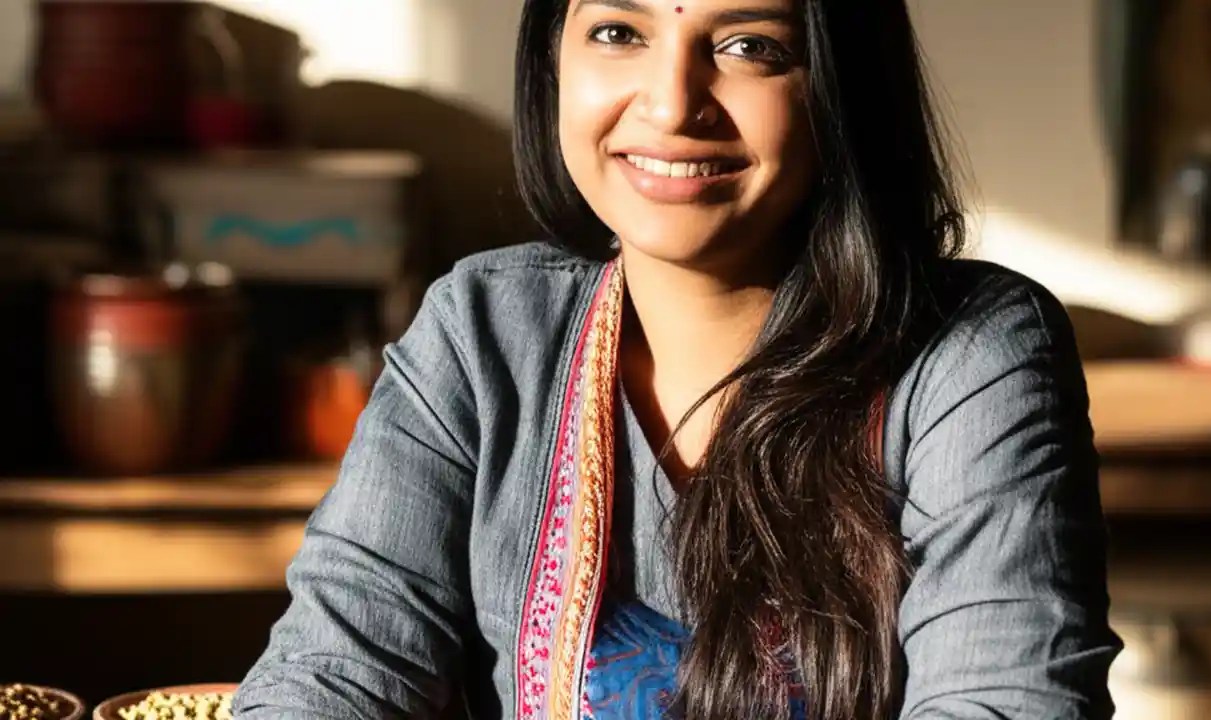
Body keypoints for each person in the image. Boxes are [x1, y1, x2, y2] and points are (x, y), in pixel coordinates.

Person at [233, 0, 1121, 718]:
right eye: (619, 32)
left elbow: (1008, 701)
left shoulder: (969, 351)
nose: (671, 102)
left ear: (843, 85)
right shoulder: (485, 333)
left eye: (748, 45)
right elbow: (336, 671)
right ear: (553, 60)